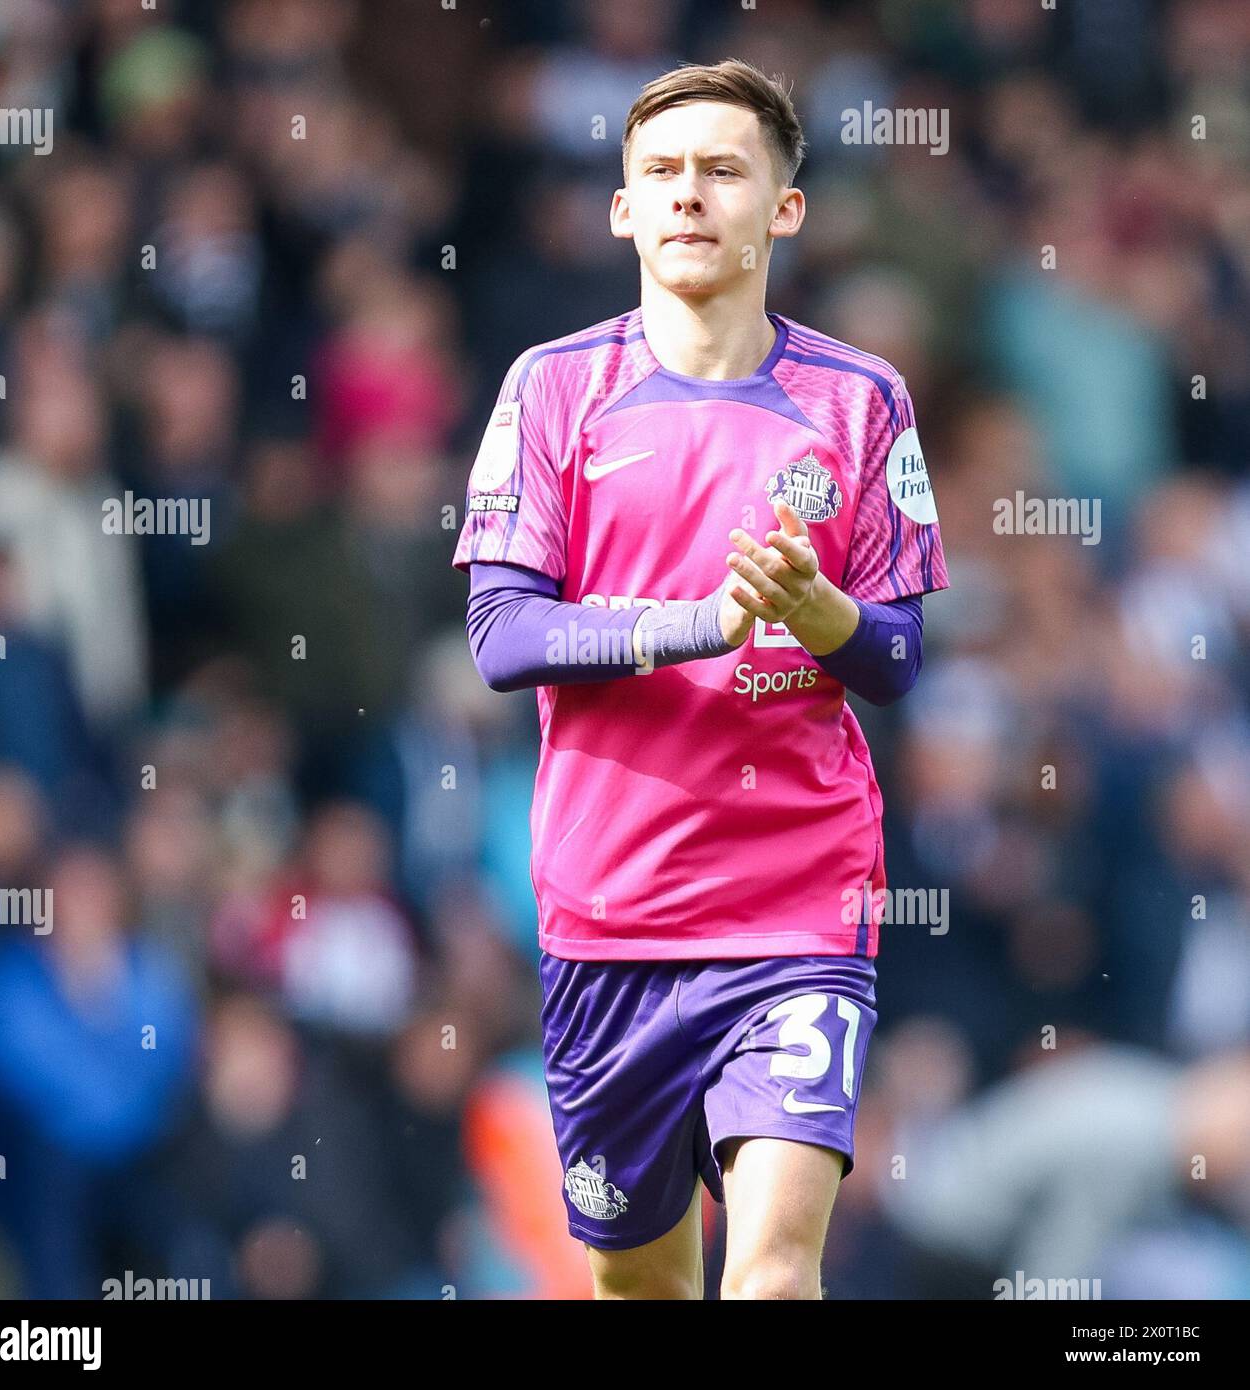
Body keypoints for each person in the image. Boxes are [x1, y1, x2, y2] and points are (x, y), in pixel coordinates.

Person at [452, 58, 949, 1299]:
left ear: (783, 208)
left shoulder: (860, 400)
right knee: (642, 1284)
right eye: (661, 175)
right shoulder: (553, 388)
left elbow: (894, 659)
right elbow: (502, 636)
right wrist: (699, 623)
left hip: (796, 904)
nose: (689, 197)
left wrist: (816, 610)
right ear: (621, 209)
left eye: (723, 171)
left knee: (774, 1273)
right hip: (609, 912)